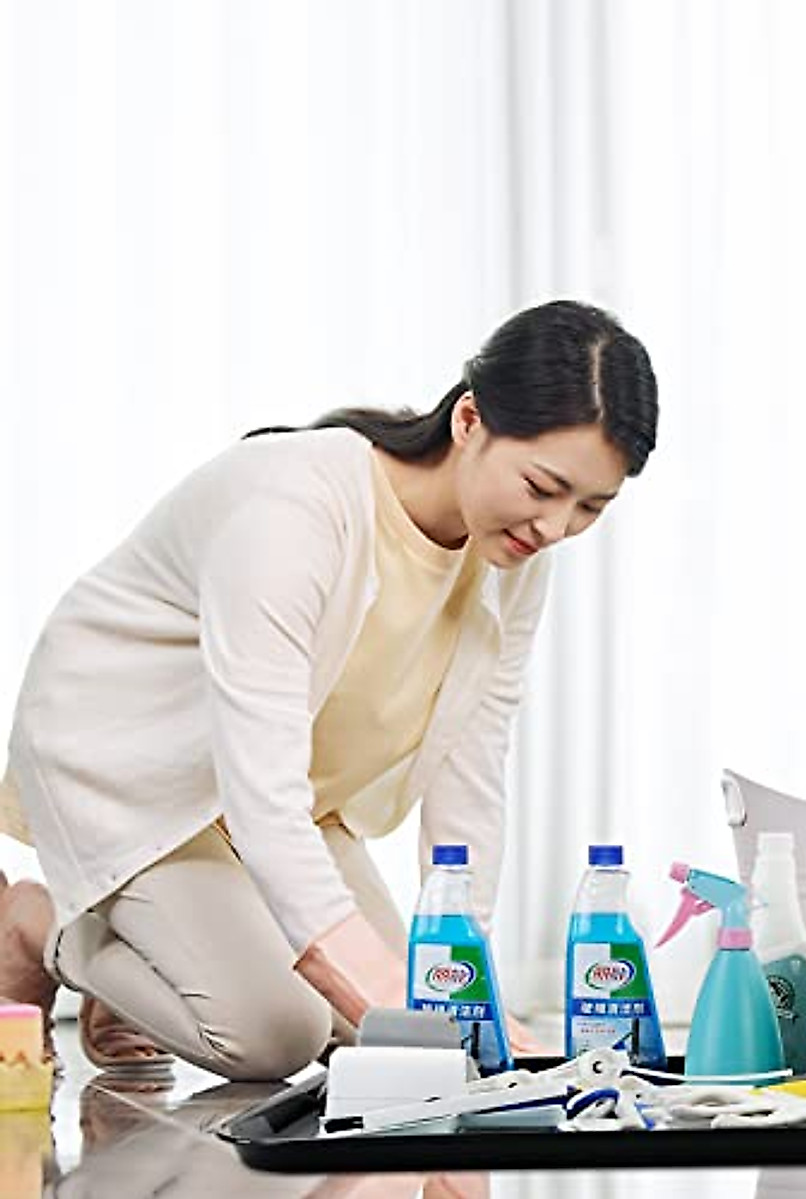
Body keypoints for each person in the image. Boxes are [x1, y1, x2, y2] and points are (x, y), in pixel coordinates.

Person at [0, 299, 658, 1080]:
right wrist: (410, 1012)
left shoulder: (512, 559)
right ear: (470, 420)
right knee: (277, 1034)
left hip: (279, 796)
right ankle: (41, 927)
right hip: (133, 768)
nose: (554, 526)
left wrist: (467, 993)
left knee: (394, 1033)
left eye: (590, 507)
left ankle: (161, 954)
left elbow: (473, 769)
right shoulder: (296, 507)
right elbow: (261, 787)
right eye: (543, 487)